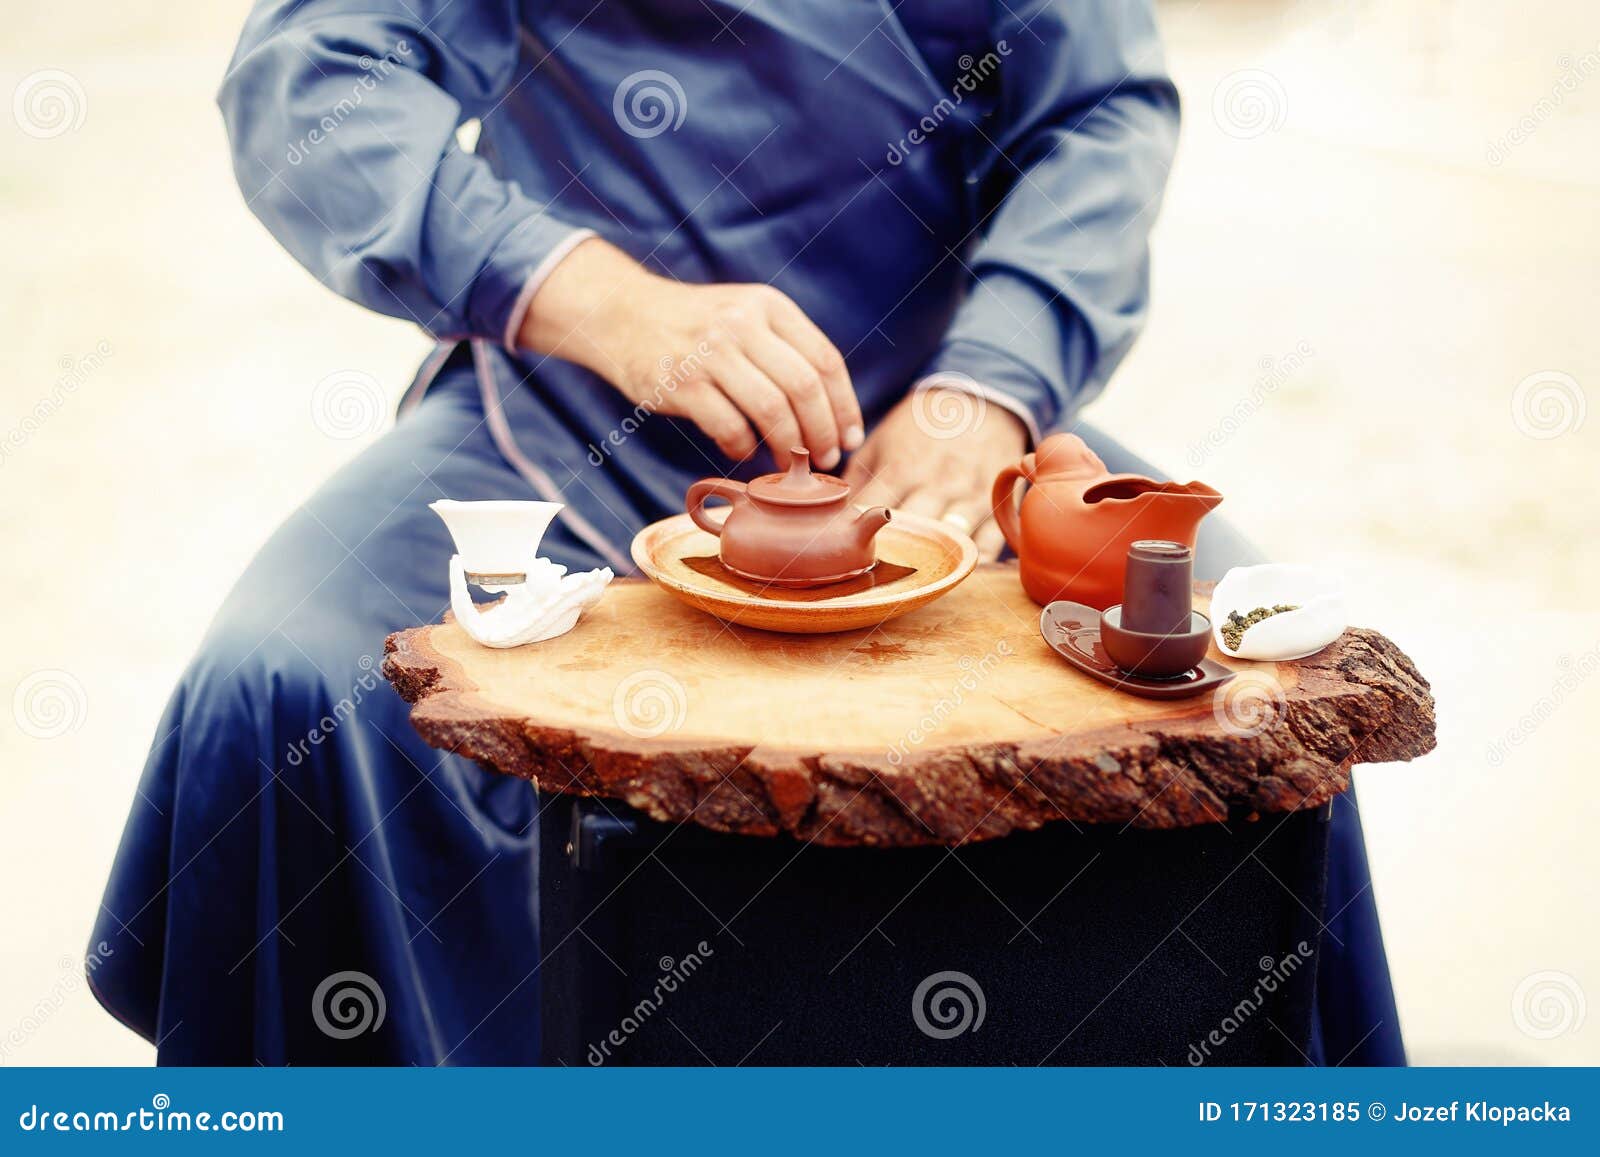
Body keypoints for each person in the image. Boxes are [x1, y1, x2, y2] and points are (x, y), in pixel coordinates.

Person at [91, 0, 1402, 1065]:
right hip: (553, 428)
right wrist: (584, 293)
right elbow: (310, 67)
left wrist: (990, 384)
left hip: (932, 454)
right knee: (276, 676)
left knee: (1248, 689)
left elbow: (1098, 112)